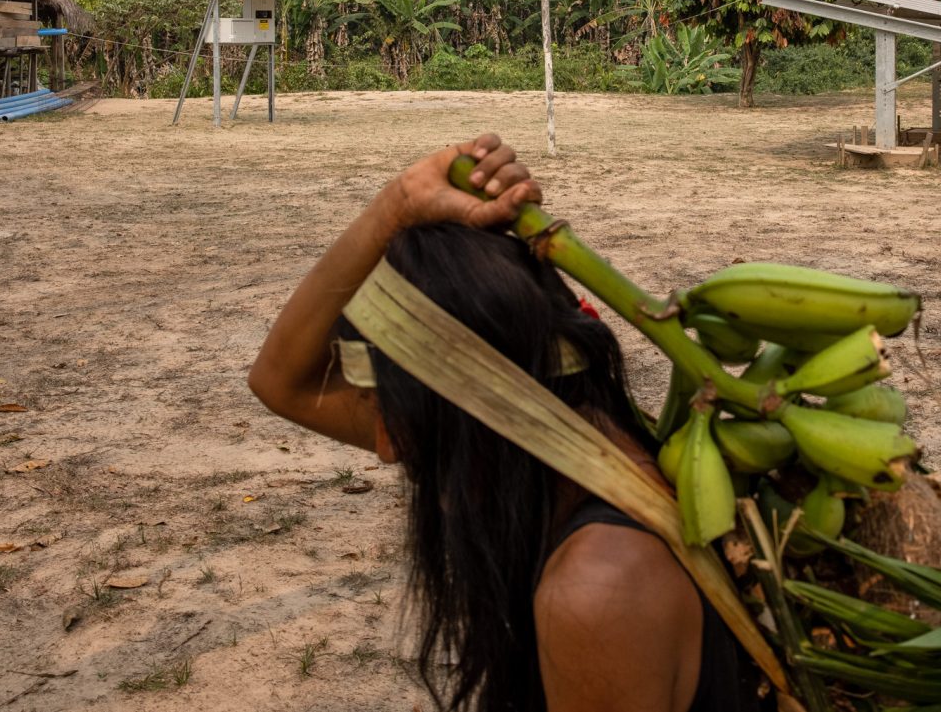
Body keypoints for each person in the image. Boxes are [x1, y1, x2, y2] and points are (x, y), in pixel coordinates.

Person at [248, 134, 757, 712]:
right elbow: (280, 382)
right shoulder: (588, 438)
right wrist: (398, 204)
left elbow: (286, 386)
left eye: (390, 402)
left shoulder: (599, 587)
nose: (385, 446)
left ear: (476, 400)